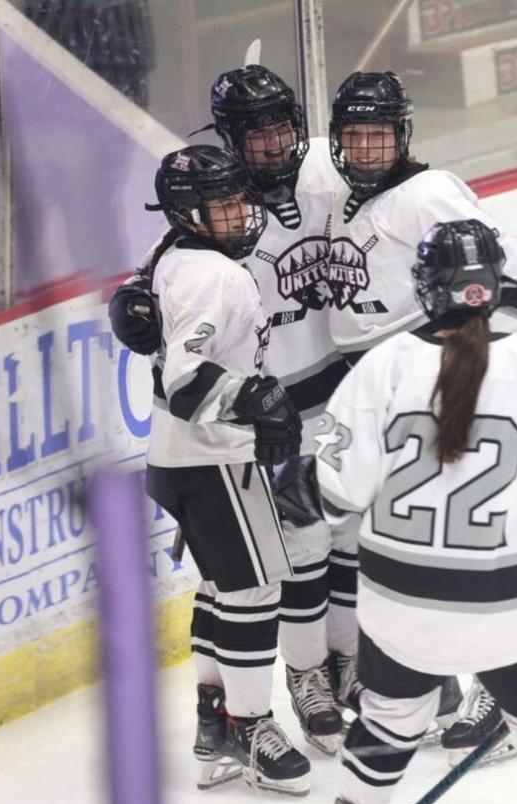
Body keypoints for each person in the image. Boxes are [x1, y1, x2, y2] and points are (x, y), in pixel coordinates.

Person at [277, 220, 517, 804]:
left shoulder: (382, 368)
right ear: (494, 286)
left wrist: (296, 481)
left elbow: (334, 494)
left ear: (425, 288)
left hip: (400, 610)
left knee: (387, 720)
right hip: (512, 607)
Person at [110, 64, 353, 755]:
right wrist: (129, 297)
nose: (274, 143)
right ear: (230, 138)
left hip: (329, 394)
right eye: (257, 130)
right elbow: (169, 268)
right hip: (255, 421)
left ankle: (340, 665)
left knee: (341, 542)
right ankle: (299, 682)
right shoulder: (216, 207)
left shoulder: (326, 175)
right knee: (272, 563)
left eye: (283, 126)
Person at [321, 70, 517, 763]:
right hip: (383, 388)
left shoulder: (428, 193)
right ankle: (436, 678)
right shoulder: (355, 198)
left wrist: (482, 370)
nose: (365, 146)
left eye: (378, 134)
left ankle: (500, 691)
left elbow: (515, 273)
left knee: (458, 544)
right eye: (353, 135)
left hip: (431, 384)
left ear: (402, 135)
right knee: (404, 547)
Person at [141, 145, 309, 795]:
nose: (241, 214)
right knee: (254, 591)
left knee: (222, 588)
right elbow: (186, 380)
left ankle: (214, 724)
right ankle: (251, 725)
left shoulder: (173, 252)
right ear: (188, 212)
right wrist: (255, 402)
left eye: (241, 199)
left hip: (177, 456)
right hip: (212, 455)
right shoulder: (214, 275)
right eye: (225, 204)